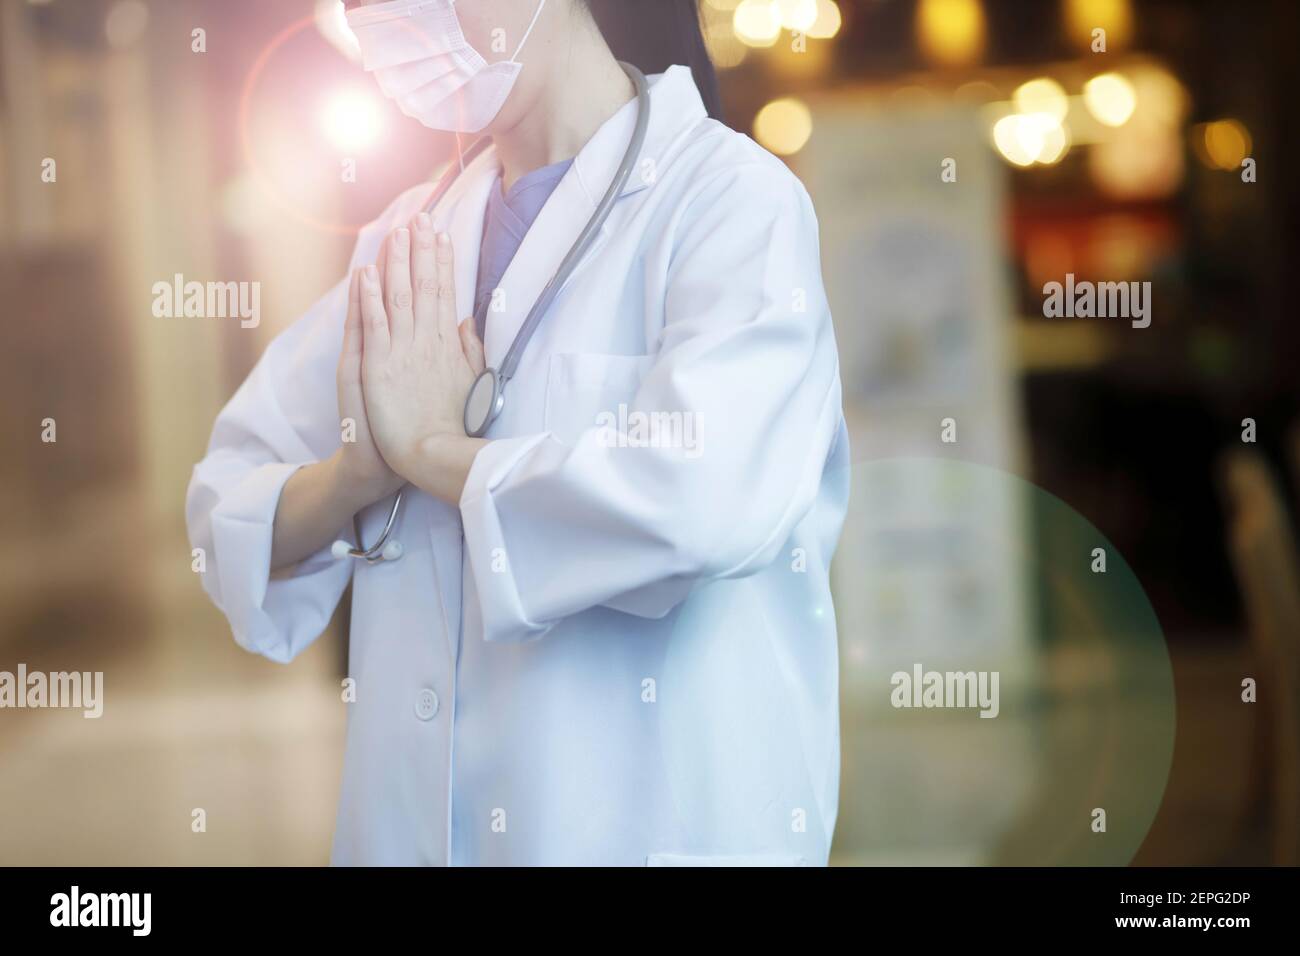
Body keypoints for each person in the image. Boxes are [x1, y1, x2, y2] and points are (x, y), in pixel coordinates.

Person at [186, 0, 850, 866]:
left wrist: (437, 455)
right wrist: (359, 472)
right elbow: (225, 513)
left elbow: (704, 502)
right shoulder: (407, 238)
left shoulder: (731, 204)